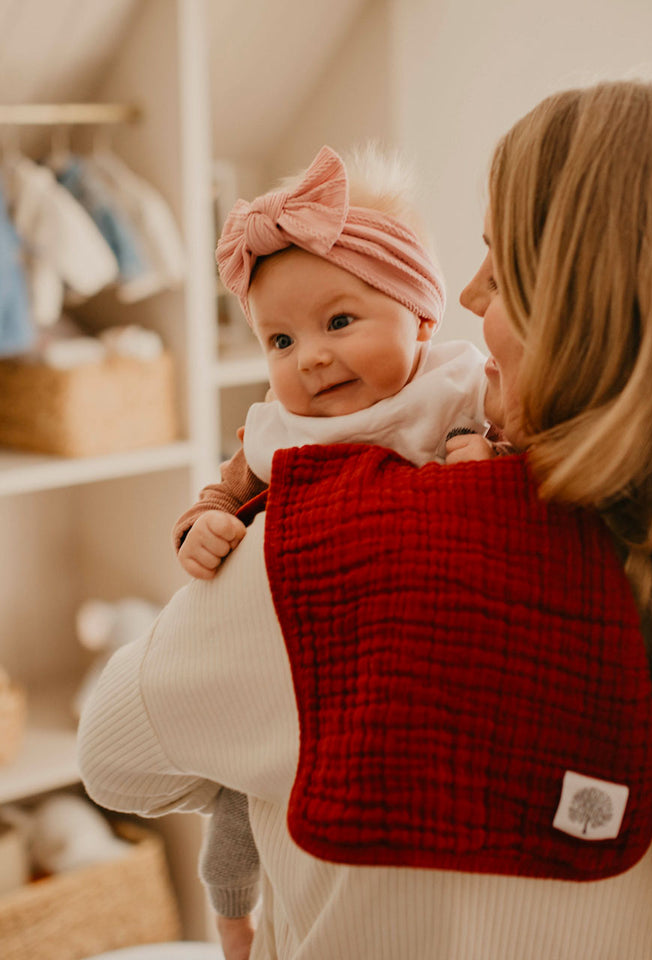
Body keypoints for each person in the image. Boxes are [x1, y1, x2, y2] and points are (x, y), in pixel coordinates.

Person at [78, 81, 652, 960]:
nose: (466, 292)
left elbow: (111, 751)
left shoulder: (324, 555)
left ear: (592, 312)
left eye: (503, 263)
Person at [175, 145, 500, 959]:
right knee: (234, 807)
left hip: (394, 652)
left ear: (421, 318)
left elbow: (506, 458)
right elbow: (223, 494)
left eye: (339, 322)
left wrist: (483, 461)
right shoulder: (279, 428)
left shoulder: (455, 392)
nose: (309, 357)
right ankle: (231, 922)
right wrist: (204, 527)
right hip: (286, 653)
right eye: (278, 340)